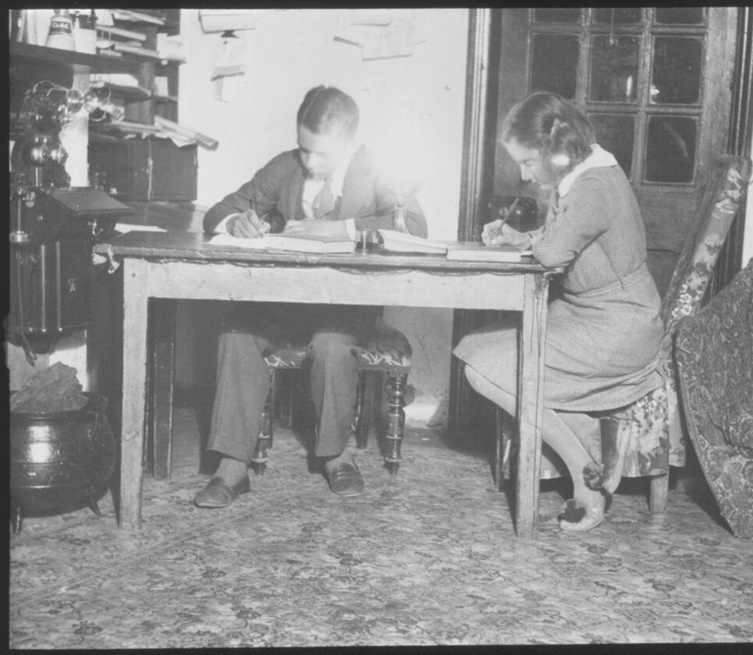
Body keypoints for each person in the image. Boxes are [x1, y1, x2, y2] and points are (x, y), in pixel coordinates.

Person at [195, 85, 427, 507]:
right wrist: (235, 222)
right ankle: (232, 465)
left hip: (344, 307)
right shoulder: (285, 166)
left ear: (350, 142)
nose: (311, 162)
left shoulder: (374, 168)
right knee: (237, 333)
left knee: (332, 346)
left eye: (322, 153)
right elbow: (217, 211)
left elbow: (413, 226)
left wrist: (340, 229)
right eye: (304, 149)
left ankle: (336, 455)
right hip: (284, 302)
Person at [454, 91, 664, 532]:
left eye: (528, 162)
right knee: (474, 346)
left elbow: (552, 254)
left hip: (619, 328)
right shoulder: (583, 173)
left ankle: (584, 474)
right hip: (586, 314)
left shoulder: (592, 187)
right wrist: (522, 237)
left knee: (483, 370)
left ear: (556, 149)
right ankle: (585, 434)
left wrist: (535, 241)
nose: (523, 174)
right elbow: (565, 238)